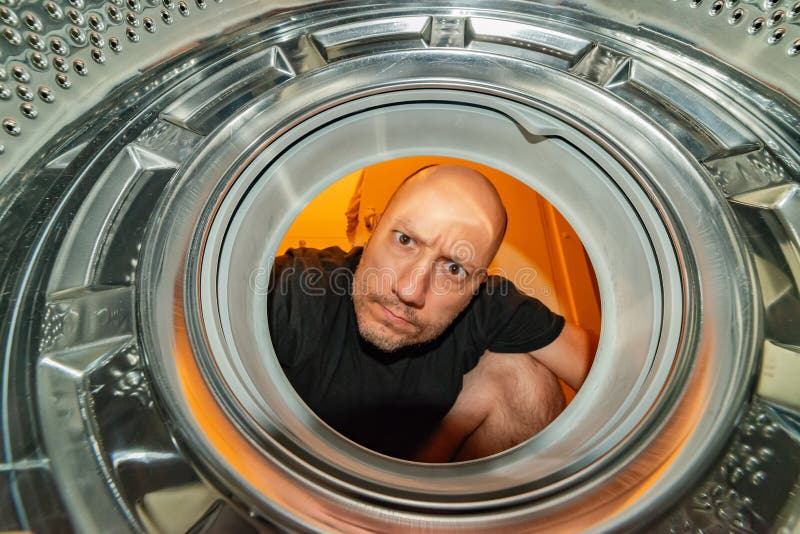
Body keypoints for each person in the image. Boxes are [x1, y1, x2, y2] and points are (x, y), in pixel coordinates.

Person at [267, 165, 596, 461]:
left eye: (453, 268)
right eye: (405, 240)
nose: (410, 291)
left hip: (421, 488)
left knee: (524, 373)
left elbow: (617, 377)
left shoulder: (489, 303)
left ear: (477, 284)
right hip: (289, 487)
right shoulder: (295, 289)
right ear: (373, 230)